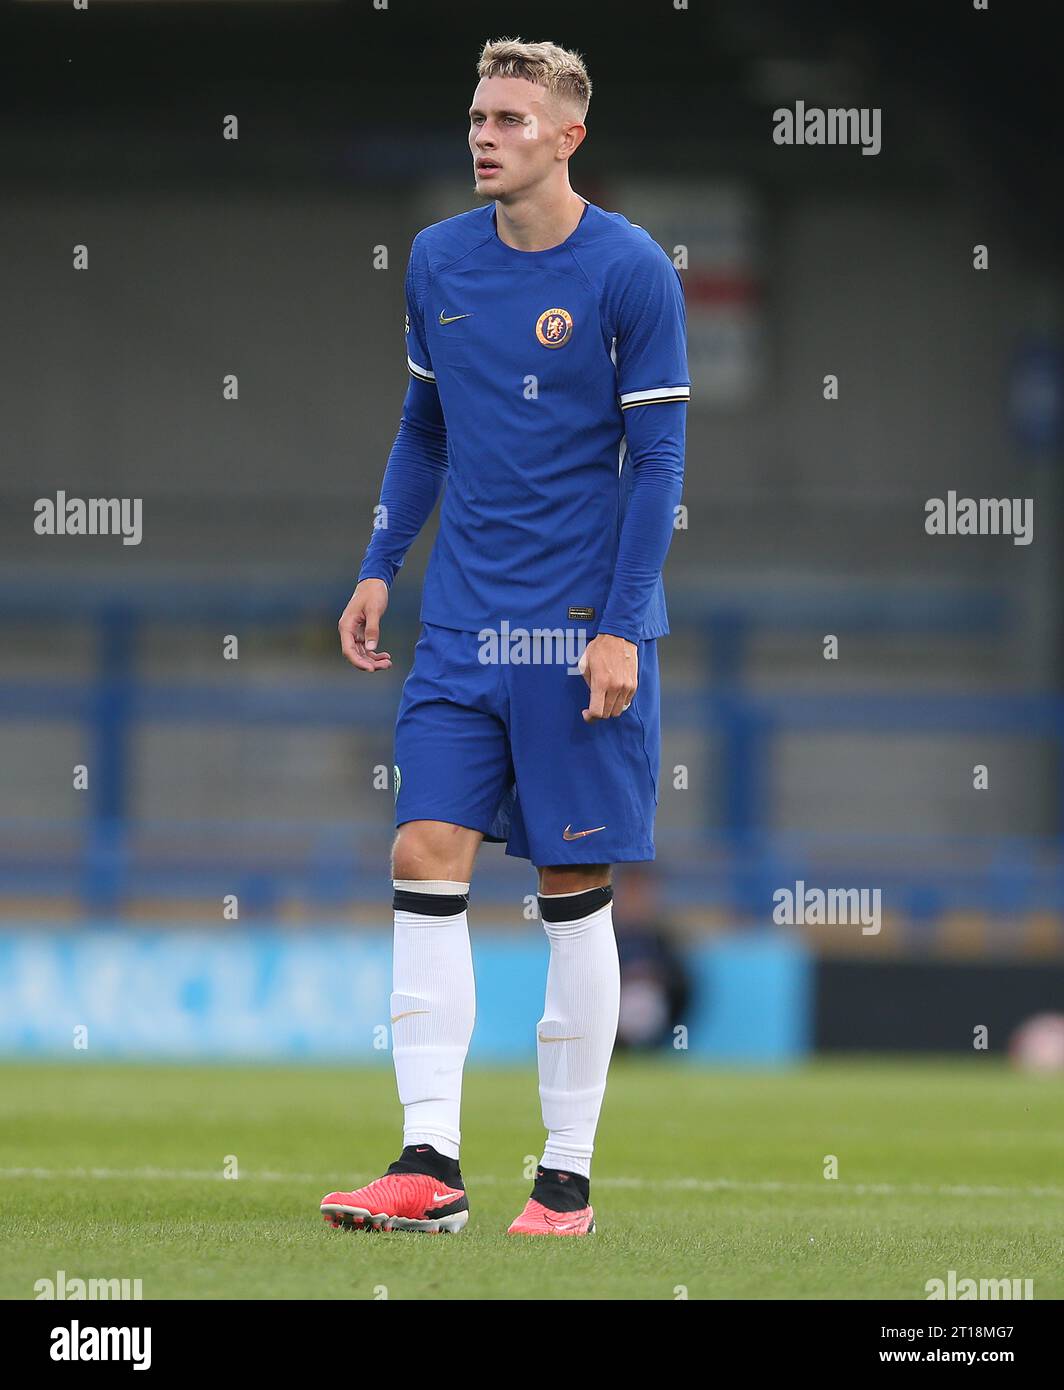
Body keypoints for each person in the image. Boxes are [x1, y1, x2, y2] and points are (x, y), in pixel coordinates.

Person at [321, 35, 689, 1237]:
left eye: (511, 119)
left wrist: (624, 627)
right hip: (461, 629)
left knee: (571, 886)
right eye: (477, 116)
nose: (484, 135)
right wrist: (381, 562)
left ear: (567, 136)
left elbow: (657, 463)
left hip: (580, 633)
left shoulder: (629, 269)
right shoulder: (436, 259)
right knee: (423, 847)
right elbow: (422, 428)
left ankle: (564, 1180)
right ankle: (428, 1161)